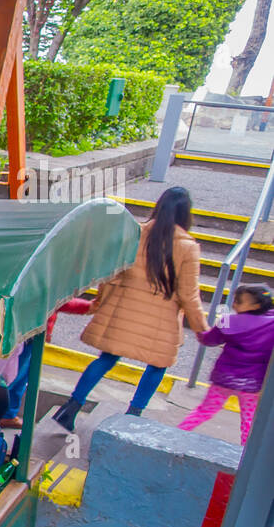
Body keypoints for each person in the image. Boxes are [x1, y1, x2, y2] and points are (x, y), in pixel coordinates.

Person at [52, 187, 208, 431]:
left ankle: (71, 406)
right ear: (186, 214)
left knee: (106, 358)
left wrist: (100, 303)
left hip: (123, 310)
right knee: (157, 366)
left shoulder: (133, 233)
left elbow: (110, 272)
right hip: (161, 319)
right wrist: (201, 329)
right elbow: (189, 295)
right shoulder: (188, 248)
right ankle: (132, 417)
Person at [179, 284, 274, 444]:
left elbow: (209, 340)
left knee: (204, 411)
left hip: (224, 379)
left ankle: (178, 432)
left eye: (238, 301)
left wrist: (200, 330)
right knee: (249, 419)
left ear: (255, 305)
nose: (234, 304)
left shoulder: (228, 320)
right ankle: (245, 452)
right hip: (253, 384)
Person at [0, 298, 94, 429]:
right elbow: (59, 301)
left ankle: (8, 414)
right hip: (27, 333)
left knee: (21, 378)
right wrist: (87, 306)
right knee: (13, 377)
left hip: (32, 334)